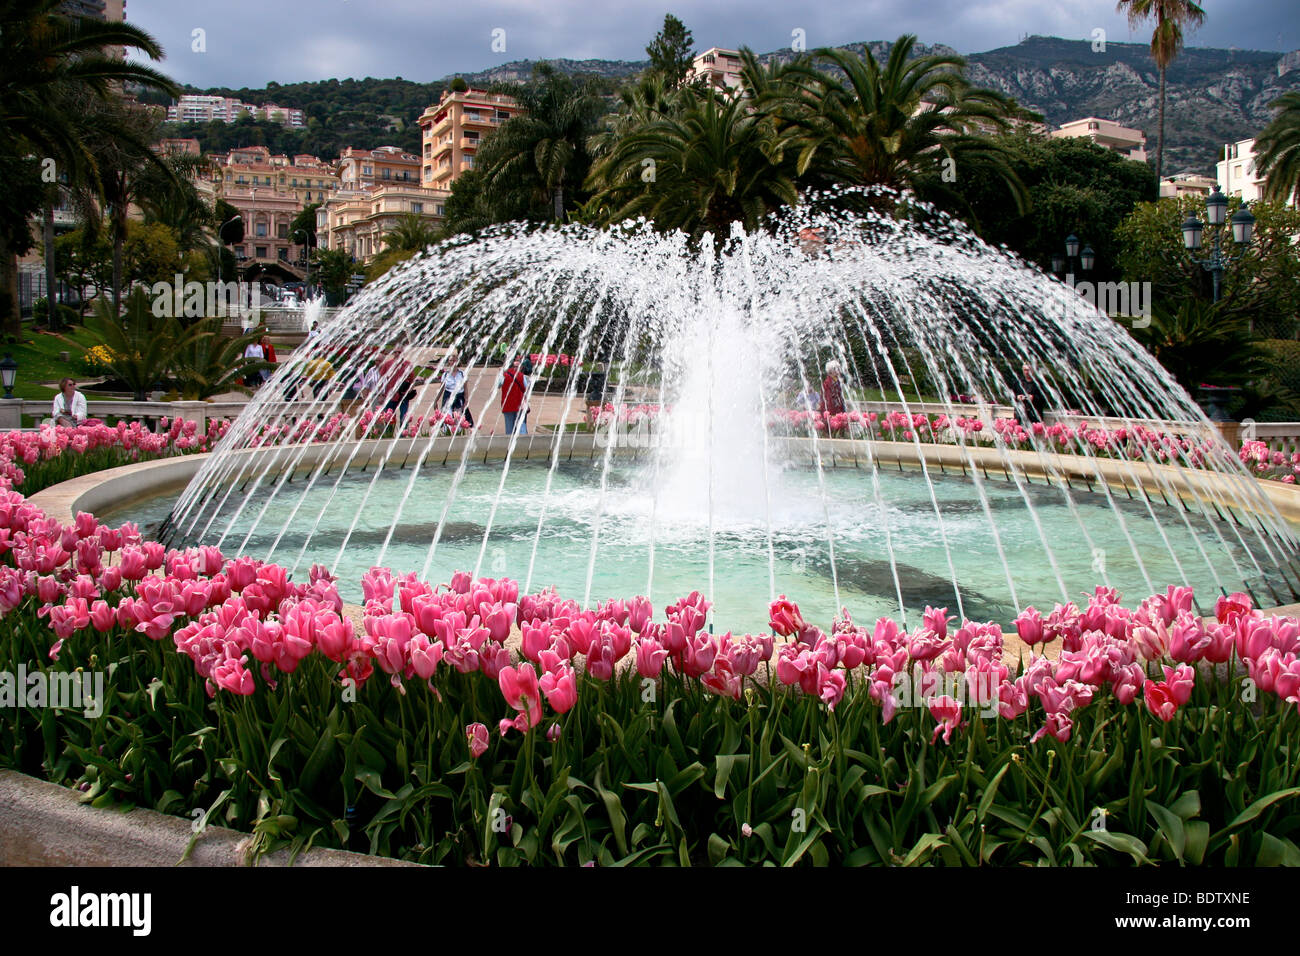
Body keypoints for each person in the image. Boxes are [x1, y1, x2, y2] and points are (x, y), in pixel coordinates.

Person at [496, 356, 528, 436]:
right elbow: (527, 389)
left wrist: (501, 372)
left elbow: (498, 385)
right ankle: (523, 445)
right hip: (520, 405)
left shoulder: (504, 375)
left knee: (509, 430)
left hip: (507, 405)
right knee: (522, 427)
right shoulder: (522, 376)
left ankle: (509, 446)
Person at [440, 358, 474, 427]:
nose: (452, 362)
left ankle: (458, 433)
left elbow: (465, 389)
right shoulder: (445, 374)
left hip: (459, 398)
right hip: (448, 397)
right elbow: (441, 389)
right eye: (450, 360)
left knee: (459, 419)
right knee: (447, 418)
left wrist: (466, 400)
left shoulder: (462, 374)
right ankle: (447, 432)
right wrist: (436, 400)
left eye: (453, 360)